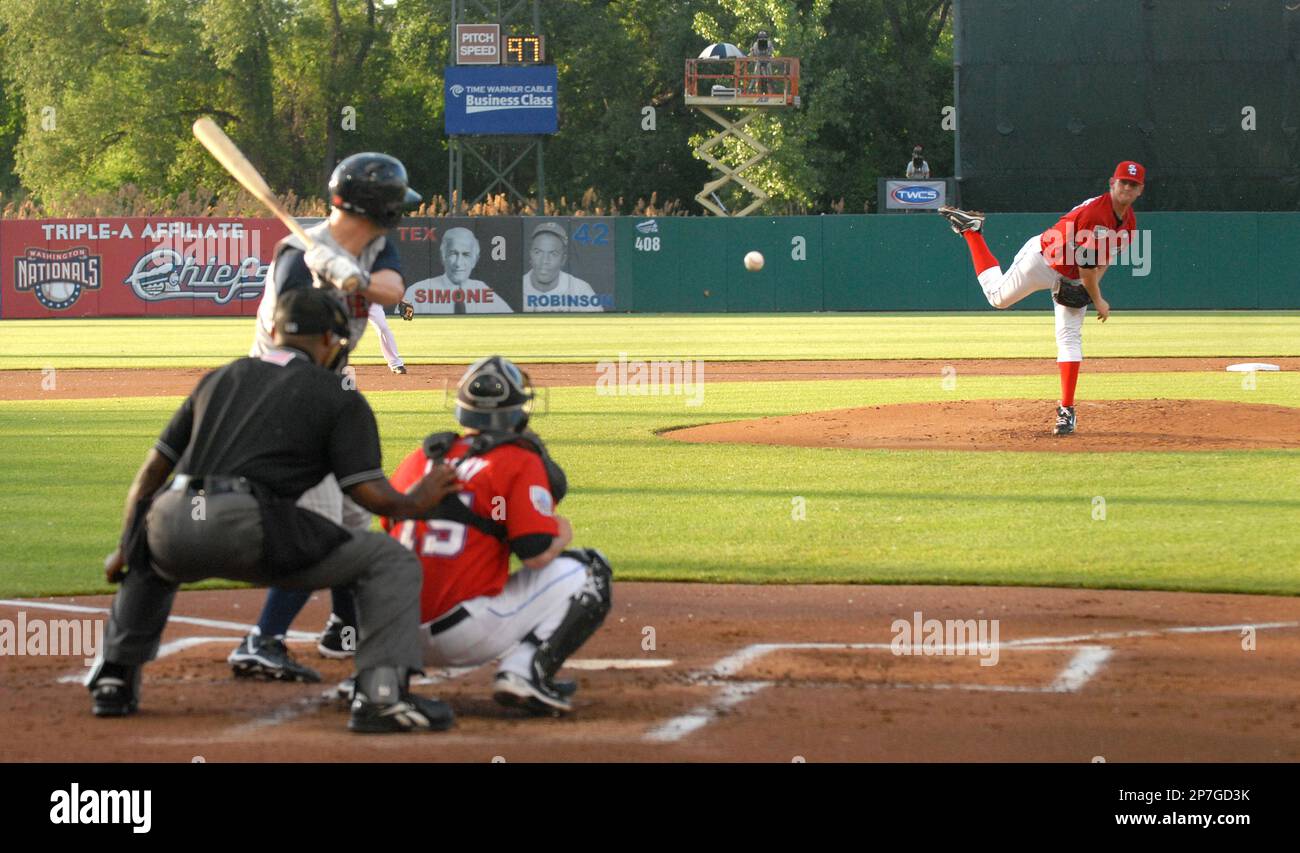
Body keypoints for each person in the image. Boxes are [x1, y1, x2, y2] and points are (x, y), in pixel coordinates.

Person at [87, 288, 461, 733]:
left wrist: (127, 547)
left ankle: (114, 676)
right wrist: (422, 497)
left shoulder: (219, 378)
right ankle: (382, 695)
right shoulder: (338, 394)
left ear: (273, 330)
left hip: (174, 515)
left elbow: (150, 474)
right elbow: (371, 497)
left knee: (152, 557)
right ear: (330, 339)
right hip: (247, 525)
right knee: (388, 560)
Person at [230, 151, 422, 683]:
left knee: (356, 518)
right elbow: (294, 339)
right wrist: (323, 286)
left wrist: (352, 278)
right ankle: (261, 640)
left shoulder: (377, 247)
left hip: (329, 391)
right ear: (377, 209)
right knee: (317, 524)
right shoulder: (296, 256)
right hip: (281, 397)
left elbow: (394, 291)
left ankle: (344, 625)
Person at [382, 355, 612, 715]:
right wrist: (561, 534)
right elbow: (535, 553)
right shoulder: (514, 460)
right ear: (516, 412)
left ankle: (378, 679)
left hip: (391, 635)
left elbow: (387, 531)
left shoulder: (418, 459)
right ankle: (523, 672)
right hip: (463, 636)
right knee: (590, 570)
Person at [937, 160, 1145, 435]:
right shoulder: (1097, 213)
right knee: (997, 298)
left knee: (1069, 337)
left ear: (1140, 190)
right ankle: (972, 231)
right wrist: (1098, 298)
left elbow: (1103, 258)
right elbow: (1087, 265)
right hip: (1043, 260)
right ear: (1112, 183)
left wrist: (1090, 288)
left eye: (1133, 184)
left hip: (1073, 276)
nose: (1127, 188)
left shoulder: (1128, 224)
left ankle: (1067, 410)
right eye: (1123, 182)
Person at [404, 227, 513, 314]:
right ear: (443, 257)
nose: (458, 263)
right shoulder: (416, 291)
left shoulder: (483, 289)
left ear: (475, 260)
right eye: (453, 254)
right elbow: (401, 321)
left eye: (466, 255)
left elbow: (510, 320)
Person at [522, 222, 604, 312]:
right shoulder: (515, 289)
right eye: (538, 252)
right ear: (530, 255)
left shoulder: (580, 289)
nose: (545, 261)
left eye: (553, 254)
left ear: (563, 259)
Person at [368, 300, 414, 374]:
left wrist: (400, 299)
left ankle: (396, 364)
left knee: (383, 328)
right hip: (348, 301)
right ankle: (342, 363)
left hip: (370, 302)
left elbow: (383, 288)